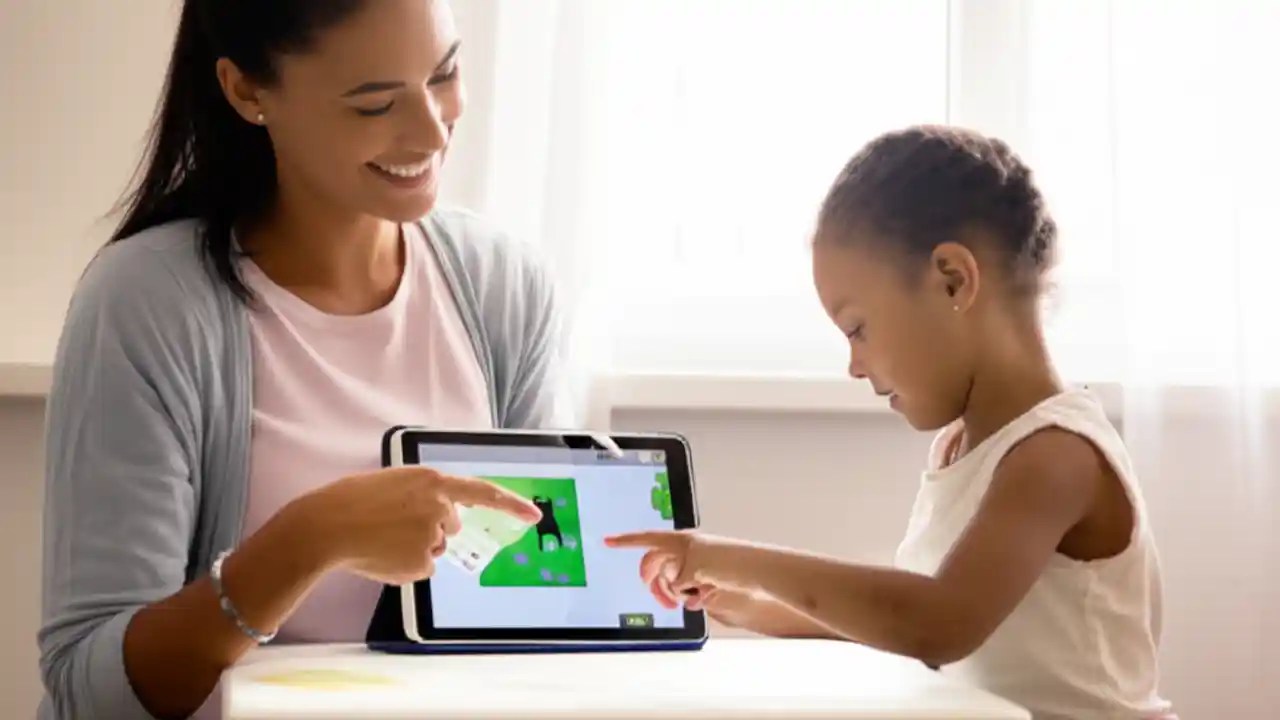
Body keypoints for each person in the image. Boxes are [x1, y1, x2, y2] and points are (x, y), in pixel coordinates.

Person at [37, 1, 564, 718]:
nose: (432, 130)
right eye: (374, 103)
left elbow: (539, 609)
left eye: (444, 75)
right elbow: (92, 687)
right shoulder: (147, 305)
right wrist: (311, 539)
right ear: (248, 91)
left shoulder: (503, 286)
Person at [607, 126, 1176, 719]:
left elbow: (935, 624)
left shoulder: (1056, 456)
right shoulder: (962, 449)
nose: (854, 365)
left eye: (858, 329)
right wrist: (748, 602)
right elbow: (898, 624)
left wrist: (721, 554)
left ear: (953, 280)